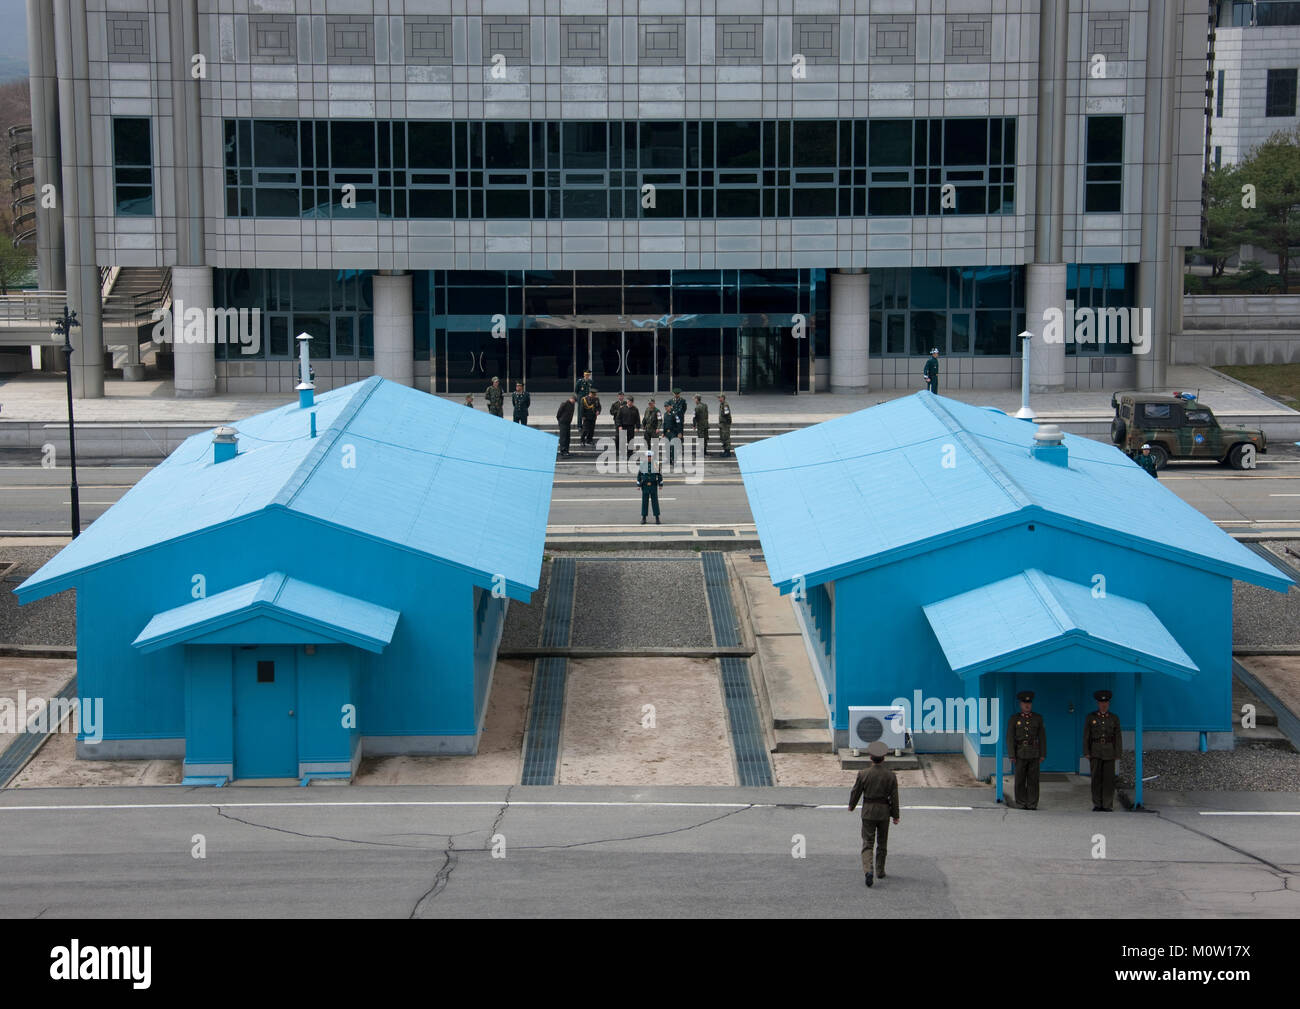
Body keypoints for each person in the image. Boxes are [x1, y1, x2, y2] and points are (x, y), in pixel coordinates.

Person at [848, 740, 900, 888]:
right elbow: (894, 797)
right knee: (882, 843)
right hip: (884, 812)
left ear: (870, 756)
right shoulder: (890, 776)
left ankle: (868, 870)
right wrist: (895, 815)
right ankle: (880, 870)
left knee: (867, 843)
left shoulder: (863, 774)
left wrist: (852, 805)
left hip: (868, 811)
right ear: (884, 757)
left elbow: (856, 791)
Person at [1083, 690, 1122, 812]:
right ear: (1097, 703)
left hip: (1109, 752)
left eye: (1105, 702)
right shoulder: (1091, 717)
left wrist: (1118, 753)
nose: (1103, 705)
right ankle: (1097, 804)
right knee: (1096, 778)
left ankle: (1107, 804)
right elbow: (1086, 736)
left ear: (1108, 703)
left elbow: (1118, 737)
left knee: (1108, 780)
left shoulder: (1114, 718)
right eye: (1101, 702)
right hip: (1095, 751)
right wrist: (1086, 751)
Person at [1007, 690, 1046, 810]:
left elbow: (1042, 737)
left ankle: (1032, 803)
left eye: (1029, 703)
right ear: (1020, 704)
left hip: (1034, 752)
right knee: (1020, 779)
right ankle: (1021, 802)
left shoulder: (1037, 718)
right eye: (1024, 703)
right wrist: (1011, 754)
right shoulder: (1014, 719)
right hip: (1020, 752)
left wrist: (1042, 753)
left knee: (1033, 780)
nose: (1027, 705)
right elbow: (1010, 737)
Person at [636, 449, 662, 525]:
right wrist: (638, 485)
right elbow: (639, 476)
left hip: (653, 485)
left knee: (655, 502)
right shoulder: (643, 465)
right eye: (648, 456)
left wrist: (660, 484)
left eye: (650, 456)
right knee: (644, 502)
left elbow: (659, 475)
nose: (649, 458)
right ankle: (644, 518)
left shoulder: (656, 465)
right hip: (645, 486)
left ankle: (657, 518)